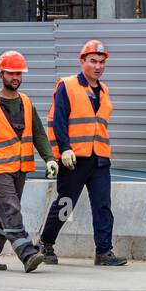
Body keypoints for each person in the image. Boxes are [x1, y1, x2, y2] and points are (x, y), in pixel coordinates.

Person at [38, 40, 127, 266]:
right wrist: (65, 148)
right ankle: (45, 243)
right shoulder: (67, 86)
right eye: (93, 61)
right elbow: (58, 121)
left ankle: (104, 251)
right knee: (65, 204)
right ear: (82, 61)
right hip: (74, 160)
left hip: (99, 159)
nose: (98, 67)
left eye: (102, 62)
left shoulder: (104, 90)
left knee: (102, 205)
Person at [0, 51, 57, 273]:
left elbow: (39, 134)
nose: (15, 77)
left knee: (2, 214)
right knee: (11, 209)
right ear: (1, 74)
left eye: (19, 73)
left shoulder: (26, 102)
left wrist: (49, 158)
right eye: (11, 73)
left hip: (21, 168)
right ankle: (27, 253)